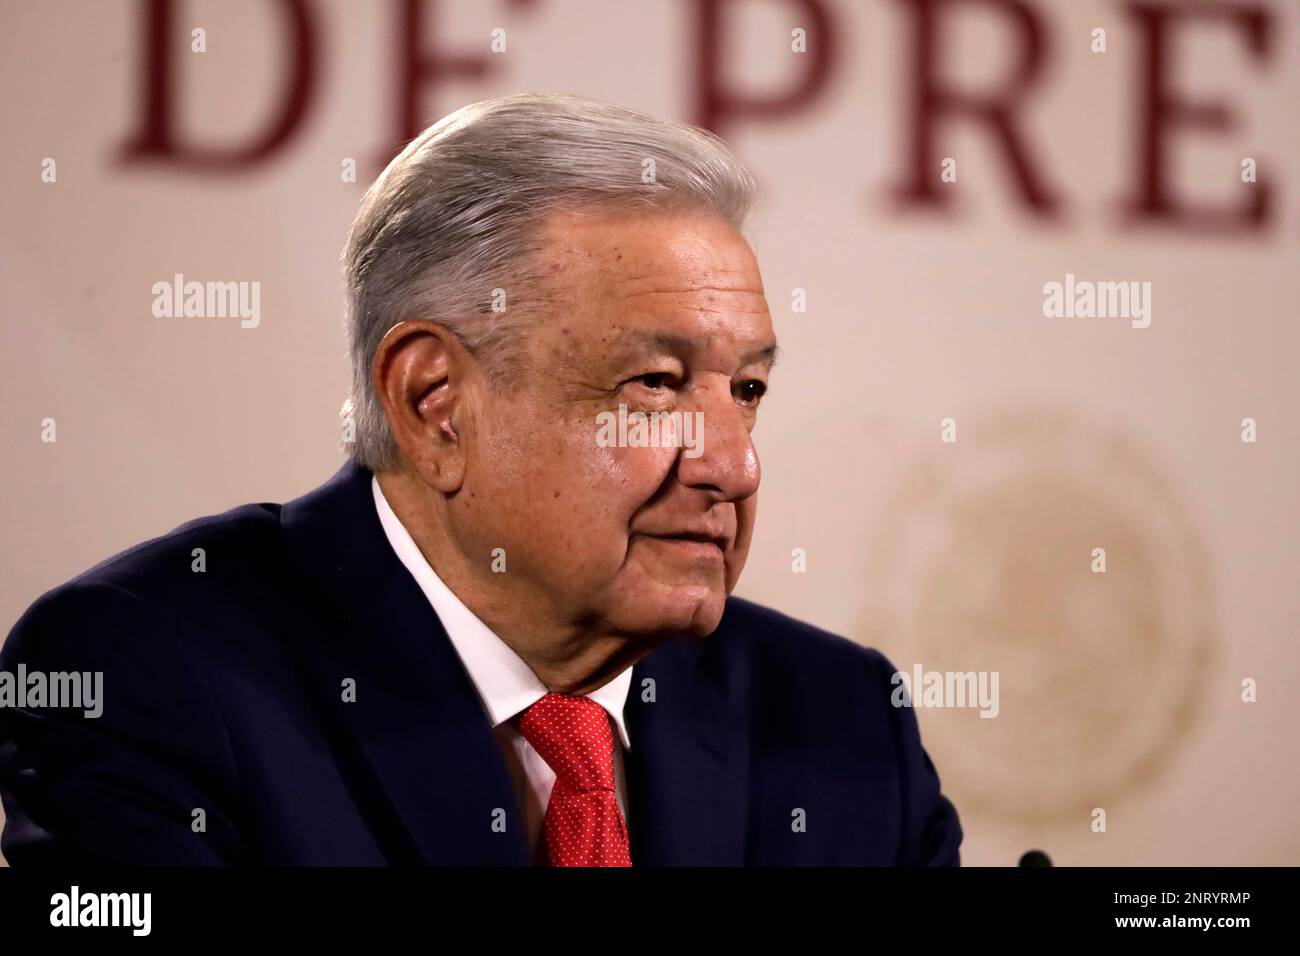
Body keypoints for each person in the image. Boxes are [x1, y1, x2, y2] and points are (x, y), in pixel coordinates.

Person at [0, 92, 961, 866]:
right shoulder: (146, 673)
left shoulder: (838, 724)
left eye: (746, 389)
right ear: (435, 403)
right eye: (656, 385)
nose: (733, 465)